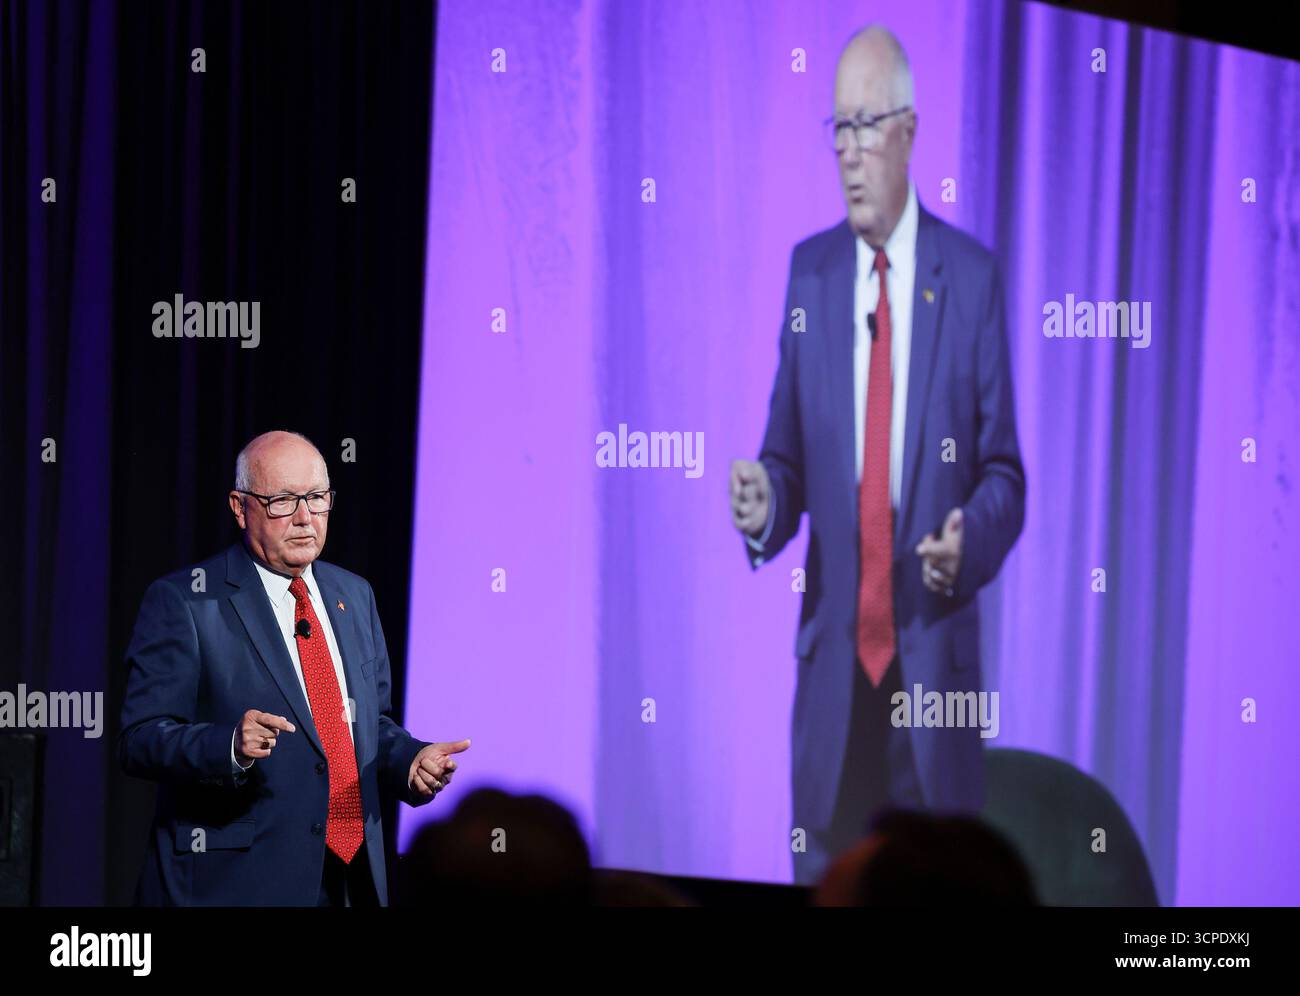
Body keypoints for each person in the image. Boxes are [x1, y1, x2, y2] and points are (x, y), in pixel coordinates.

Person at [729, 25, 1025, 885]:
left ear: (909, 131)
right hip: (834, 678)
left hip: (931, 662)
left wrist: (970, 539)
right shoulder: (810, 277)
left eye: (868, 126)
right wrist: (767, 505)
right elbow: (783, 456)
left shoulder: (969, 279)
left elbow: (1005, 472)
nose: (850, 154)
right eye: (839, 130)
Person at [119, 429, 470, 905]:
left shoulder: (355, 595)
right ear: (240, 507)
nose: (305, 518)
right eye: (283, 501)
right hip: (238, 884)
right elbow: (140, 739)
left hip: (349, 881)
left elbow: (367, 725)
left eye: (317, 498)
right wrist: (229, 745)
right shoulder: (187, 601)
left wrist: (408, 760)